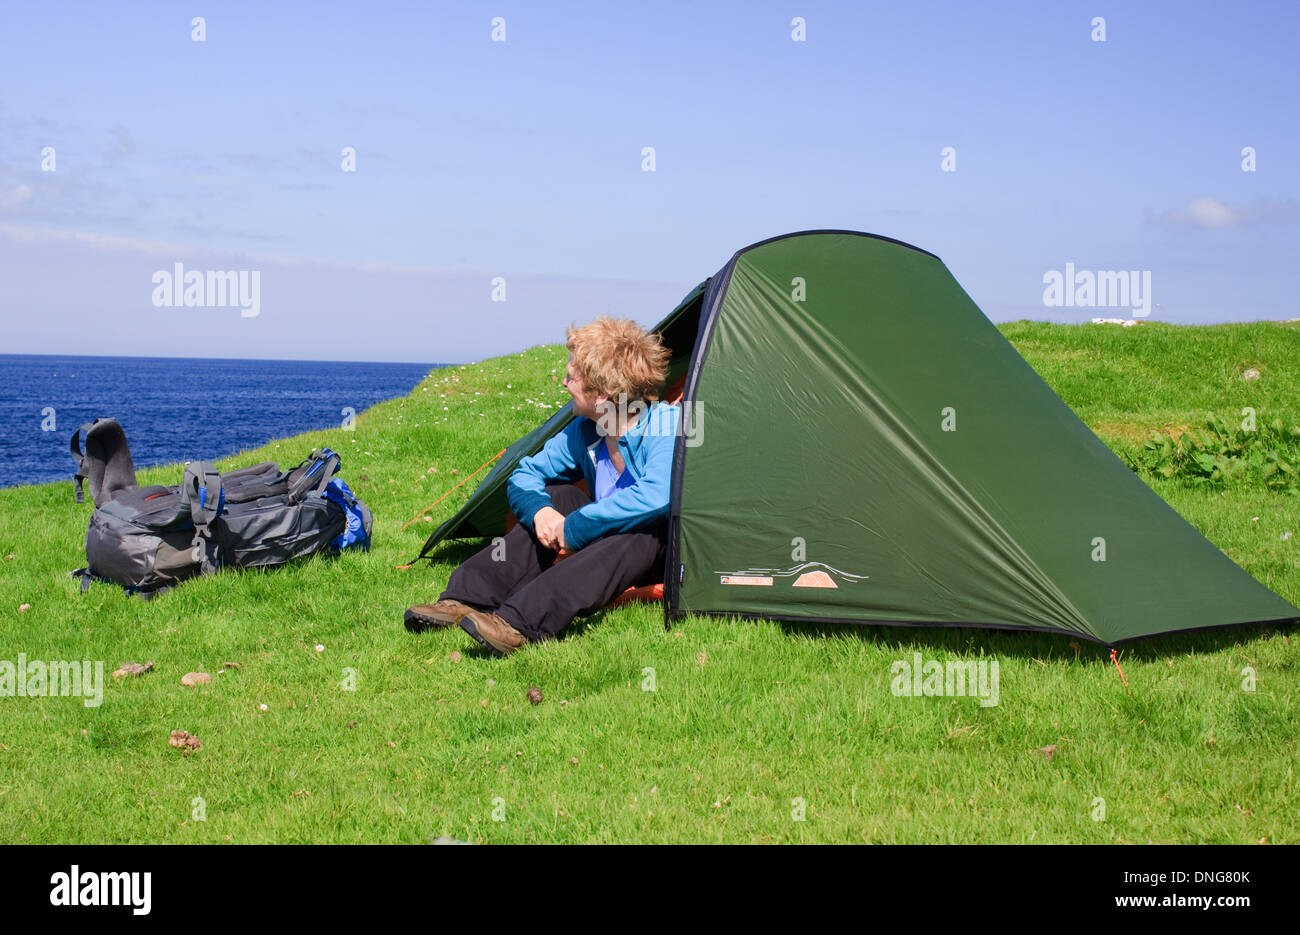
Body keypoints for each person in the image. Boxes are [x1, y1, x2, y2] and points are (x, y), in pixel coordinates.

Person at [403, 315, 680, 657]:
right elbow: (524, 474)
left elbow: (657, 497)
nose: (564, 382)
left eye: (573, 377)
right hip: (607, 541)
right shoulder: (586, 430)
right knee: (559, 496)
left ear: (602, 392)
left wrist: (575, 527)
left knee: (640, 532)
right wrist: (542, 512)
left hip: (660, 548)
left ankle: (518, 623)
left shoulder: (666, 424)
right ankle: (464, 599)